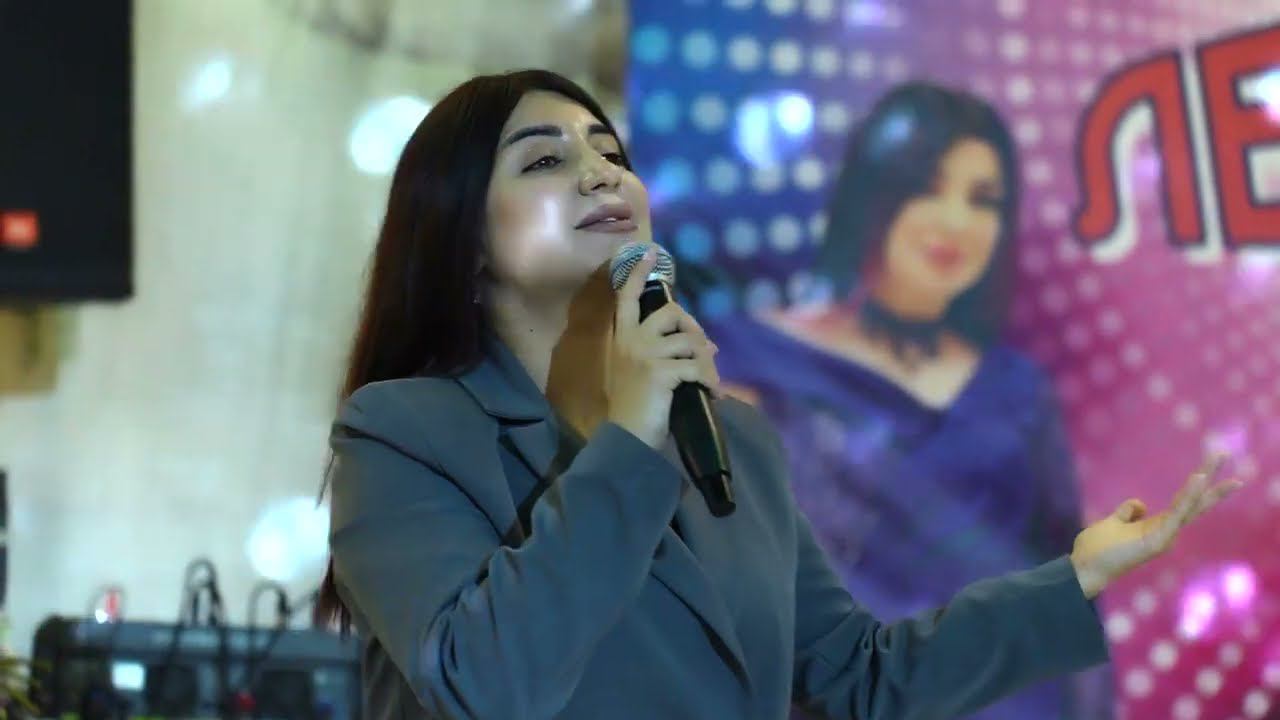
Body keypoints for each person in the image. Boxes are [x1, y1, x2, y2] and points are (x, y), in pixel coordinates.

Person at [313, 69, 1241, 720]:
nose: (600, 172)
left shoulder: (734, 441)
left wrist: (1076, 578)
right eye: (543, 160)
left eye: (608, 149)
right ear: (464, 240)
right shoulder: (402, 434)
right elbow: (486, 684)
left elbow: (859, 677)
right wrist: (631, 437)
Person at [705, 82, 1114, 719]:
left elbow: (1072, 588)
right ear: (871, 193)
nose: (955, 222)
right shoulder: (748, 358)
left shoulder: (1019, 389)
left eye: (984, 200)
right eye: (926, 187)